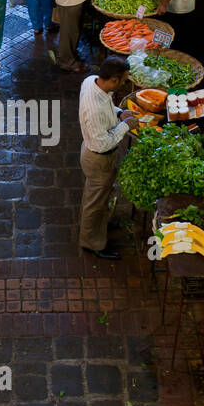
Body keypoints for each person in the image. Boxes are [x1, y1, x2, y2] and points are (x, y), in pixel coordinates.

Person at [78, 55, 140, 260]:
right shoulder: (93, 108)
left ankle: (100, 224)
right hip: (98, 157)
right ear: (113, 80)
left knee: (101, 195)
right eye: (123, 80)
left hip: (98, 154)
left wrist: (120, 112)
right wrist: (125, 126)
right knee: (94, 201)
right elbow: (102, 143)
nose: (124, 84)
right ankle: (92, 242)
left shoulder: (92, 82)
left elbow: (107, 107)